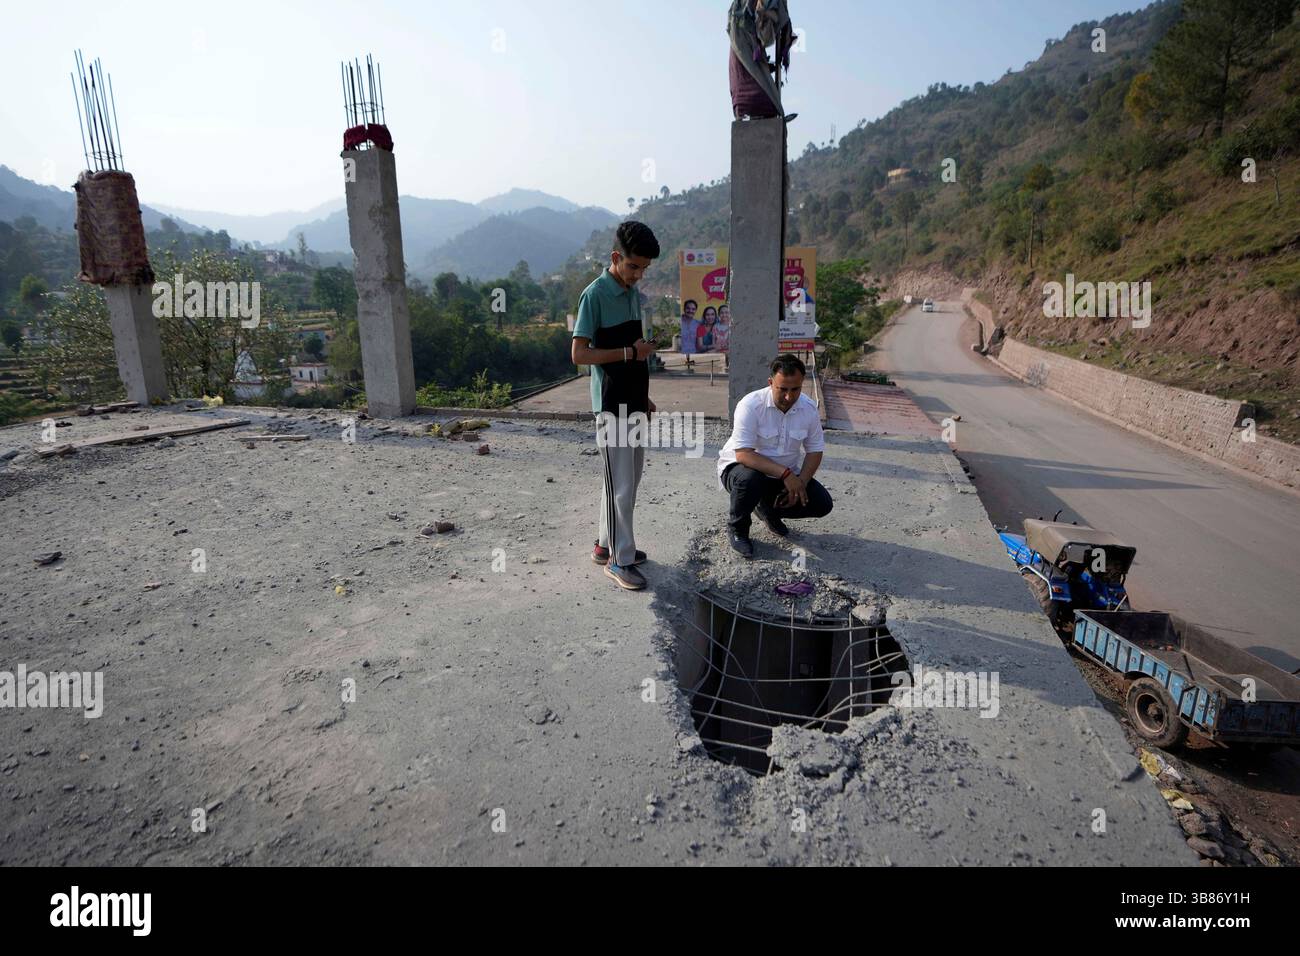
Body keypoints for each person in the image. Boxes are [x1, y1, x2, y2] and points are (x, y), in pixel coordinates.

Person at [571, 221, 661, 590]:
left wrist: (645, 396)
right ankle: (619, 561)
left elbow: (636, 351)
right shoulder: (594, 296)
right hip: (610, 406)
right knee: (619, 485)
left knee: (629, 480)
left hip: (634, 401)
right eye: (633, 266)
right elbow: (579, 353)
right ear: (615, 258)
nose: (638, 275)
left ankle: (604, 544)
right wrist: (628, 353)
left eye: (644, 268)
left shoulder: (630, 293)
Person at [717, 353, 833, 558]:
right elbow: (744, 455)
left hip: (780, 477)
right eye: (783, 389)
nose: (789, 397)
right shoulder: (751, 405)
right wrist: (787, 475)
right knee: (750, 479)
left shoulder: (808, 409)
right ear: (771, 382)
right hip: (741, 471)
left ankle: (768, 511)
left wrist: (801, 482)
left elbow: (815, 450)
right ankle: (738, 529)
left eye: (795, 389)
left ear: (802, 383)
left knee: (821, 503)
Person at [680, 299, 699, 369]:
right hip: (680, 353)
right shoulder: (679, 322)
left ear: (696, 310)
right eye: (688, 308)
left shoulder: (697, 324)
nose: (690, 311)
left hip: (693, 351)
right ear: (684, 309)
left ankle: (688, 361)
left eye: (693, 309)